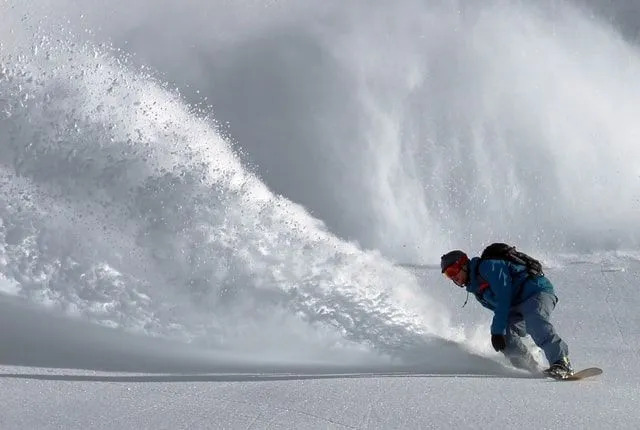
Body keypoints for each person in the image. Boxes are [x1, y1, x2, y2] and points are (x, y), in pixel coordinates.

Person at [440, 248, 573, 379]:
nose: (453, 278)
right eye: (447, 275)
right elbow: (502, 310)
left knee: (534, 321)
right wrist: (500, 333)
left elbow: (504, 296)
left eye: (452, 271)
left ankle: (561, 363)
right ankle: (532, 369)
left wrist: (497, 330)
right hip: (516, 306)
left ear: (463, 265)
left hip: (536, 292)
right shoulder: (477, 290)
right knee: (506, 337)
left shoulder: (488, 267)